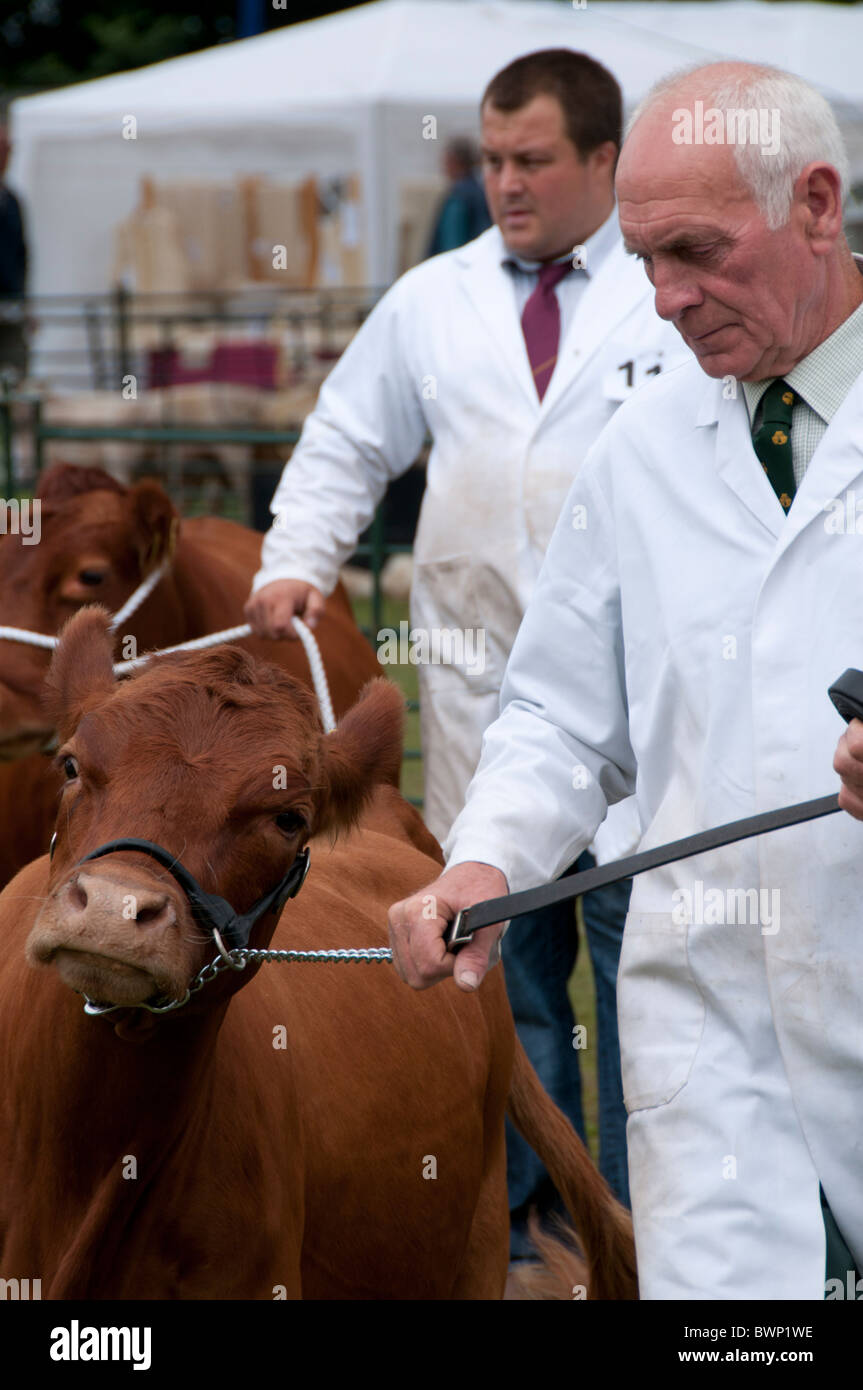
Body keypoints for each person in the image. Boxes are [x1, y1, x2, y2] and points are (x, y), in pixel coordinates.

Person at [387, 59, 863, 1300]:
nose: (660, 300)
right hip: (712, 1046)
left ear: (816, 203)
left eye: (694, 252)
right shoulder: (643, 445)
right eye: (643, 259)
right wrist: (486, 860)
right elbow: (554, 711)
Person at [244, 49, 689, 1258]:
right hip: (492, 694)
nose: (504, 182)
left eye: (531, 159)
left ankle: (644, 1229)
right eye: (490, 160)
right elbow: (345, 434)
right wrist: (295, 558)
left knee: (648, 978)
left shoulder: (669, 294)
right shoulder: (431, 299)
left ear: (603, 158)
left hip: (652, 712)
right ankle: (517, 1232)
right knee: (504, 978)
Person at [425, 137, 491, 257]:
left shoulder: (459, 196)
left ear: (456, 162)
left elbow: (451, 242)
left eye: (446, 162)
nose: (443, 168)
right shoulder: (480, 191)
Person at [0, 123, 28, 382]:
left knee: (16, 378)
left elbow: (22, 255)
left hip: (11, 308)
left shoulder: (13, 200)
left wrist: (25, 301)